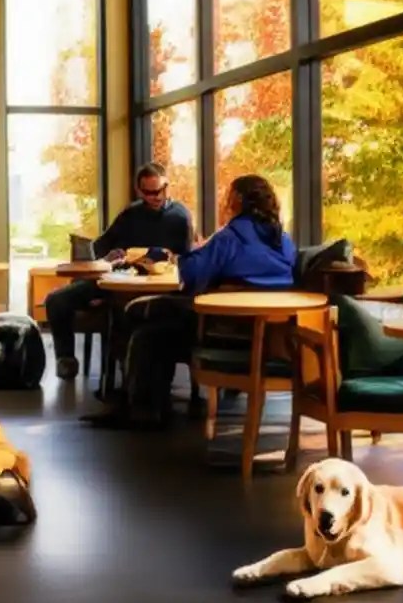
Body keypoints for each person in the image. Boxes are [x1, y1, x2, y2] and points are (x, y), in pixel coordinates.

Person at [85, 174, 297, 428]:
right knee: (154, 323)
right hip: (271, 337)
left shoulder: (230, 238)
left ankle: (141, 408)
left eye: (227, 197)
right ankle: (142, 403)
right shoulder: (283, 241)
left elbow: (192, 276)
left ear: (237, 201)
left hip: (226, 331)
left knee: (144, 326)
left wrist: (196, 253)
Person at [45, 162, 193, 380]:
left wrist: (169, 259)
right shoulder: (130, 214)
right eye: (149, 192)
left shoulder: (180, 217)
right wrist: (109, 256)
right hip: (117, 279)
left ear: (167, 186)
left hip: (160, 288)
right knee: (56, 300)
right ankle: (66, 359)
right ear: (139, 191)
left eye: (160, 190)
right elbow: (99, 247)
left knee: (128, 313)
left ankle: (131, 371)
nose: (156, 197)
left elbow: (188, 258)